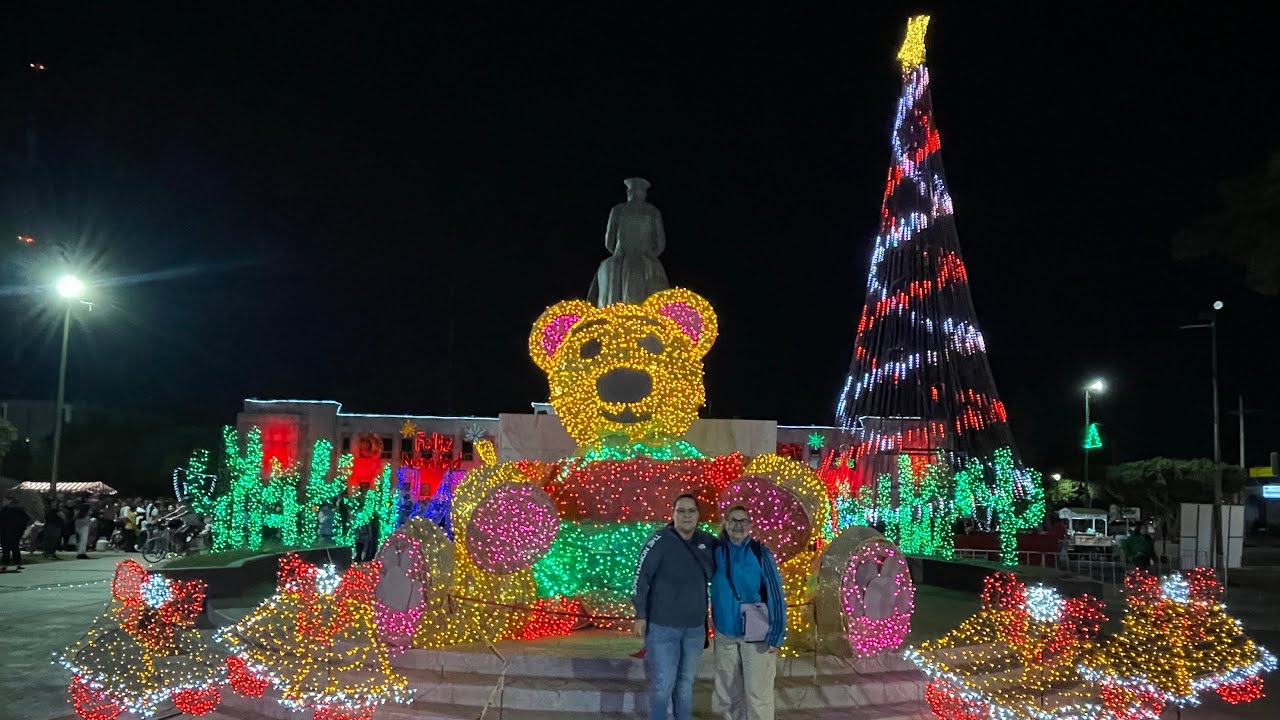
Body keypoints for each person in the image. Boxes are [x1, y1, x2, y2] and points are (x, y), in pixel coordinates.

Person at [632, 494, 717, 720]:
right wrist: (640, 614)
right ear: (673, 514)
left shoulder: (707, 542)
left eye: (691, 511)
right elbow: (641, 577)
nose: (686, 515)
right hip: (663, 627)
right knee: (663, 683)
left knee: (685, 684)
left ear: (698, 515)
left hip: (694, 629)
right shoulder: (659, 540)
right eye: (681, 511)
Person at [710, 505, 787, 720]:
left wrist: (776, 633)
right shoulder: (716, 552)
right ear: (725, 523)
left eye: (743, 521)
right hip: (726, 631)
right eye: (733, 520)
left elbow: (775, 593)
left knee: (758, 693)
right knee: (727, 693)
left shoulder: (760, 553)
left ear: (750, 525)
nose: (738, 525)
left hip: (757, 632)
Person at [0, 496, 31, 572]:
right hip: (15, 532)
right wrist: (22, 529)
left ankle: (5, 564)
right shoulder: (20, 511)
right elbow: (27, 519)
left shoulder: (5, 511)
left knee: (6, 548)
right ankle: (17, 564)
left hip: (6, 531)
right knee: (15, 548)